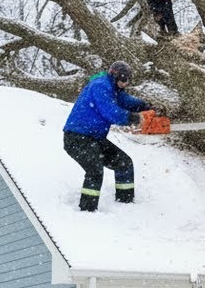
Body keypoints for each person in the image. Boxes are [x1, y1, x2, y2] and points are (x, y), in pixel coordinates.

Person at [63, 61, 157, 212]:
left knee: (124, 163)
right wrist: (133, 118)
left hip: (95, 139)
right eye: (123, 79)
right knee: (95, 171)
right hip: (77, 138)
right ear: (115, 76)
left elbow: (126, 100)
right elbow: (111, 112)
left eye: (127, 80)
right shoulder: (100, 86)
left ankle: (125, 205)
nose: (124, 84)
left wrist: (144, 106)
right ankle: (87, 212)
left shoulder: (114, 89)